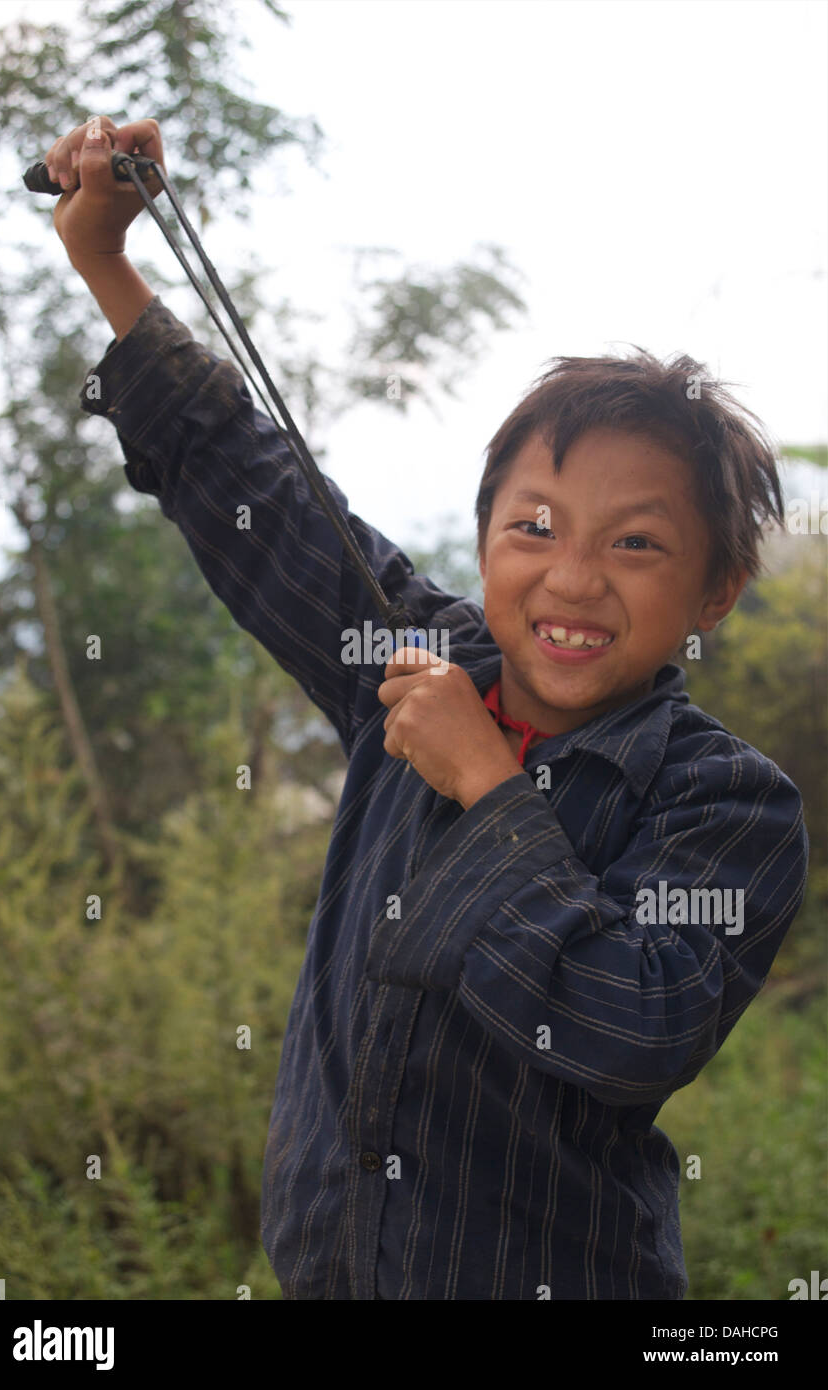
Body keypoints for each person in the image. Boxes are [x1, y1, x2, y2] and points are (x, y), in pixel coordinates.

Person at [44, 116, 809, 1300]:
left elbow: (627, 1026)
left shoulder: (726, 803)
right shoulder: (405, 658)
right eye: (535, 525)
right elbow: (264, 494)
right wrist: (106, 259)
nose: (571, 576)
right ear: (484, 534)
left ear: (714, 588)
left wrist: (490, 789)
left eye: (638, 542)